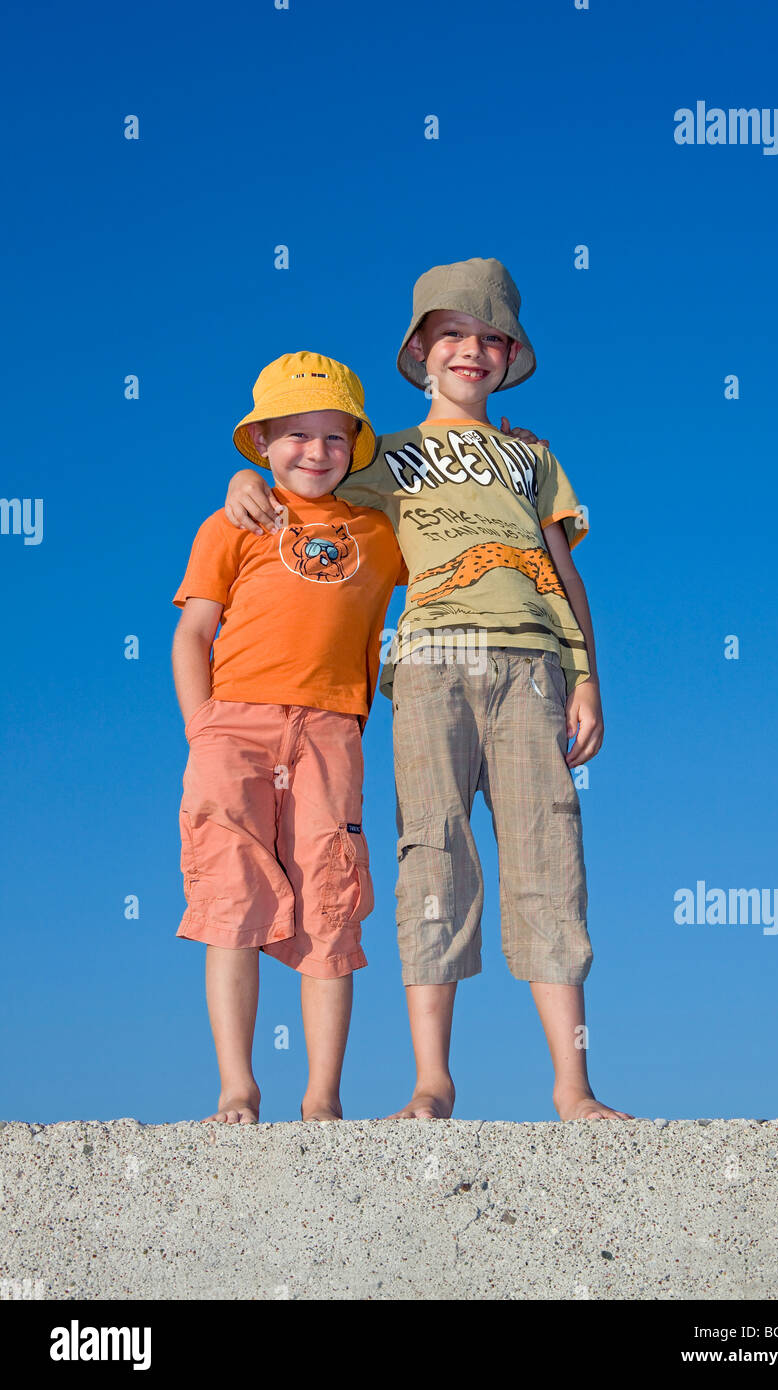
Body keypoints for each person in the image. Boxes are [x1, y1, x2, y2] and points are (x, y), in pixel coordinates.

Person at [224, 259, 632, 1123]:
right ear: (420, 349)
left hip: (531, 668)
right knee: (433, 856)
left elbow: (564, 571)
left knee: (547, 856)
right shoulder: (383, 460)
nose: (472, 351)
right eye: (453, 334)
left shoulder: (534, 457)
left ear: (512, 354)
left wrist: (588, 678)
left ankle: (574, 1086)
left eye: (492, 337)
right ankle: (432, 1082)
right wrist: (242, 481)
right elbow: (306, 490)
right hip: (429, 663)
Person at [172, 351, 406, 1124]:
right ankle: (238, 1085)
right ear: (263, 444)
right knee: (228, 899)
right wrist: (200, 723)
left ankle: (322, 1096)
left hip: (331, 730)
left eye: (335, 438)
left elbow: (446, 516)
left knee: (331, 899)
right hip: (233, 723)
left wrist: (509, 451)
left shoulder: (377, 531)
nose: (316, 452)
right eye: (296, 436)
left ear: (355, 449)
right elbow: (192, 633)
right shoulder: (232, 522)